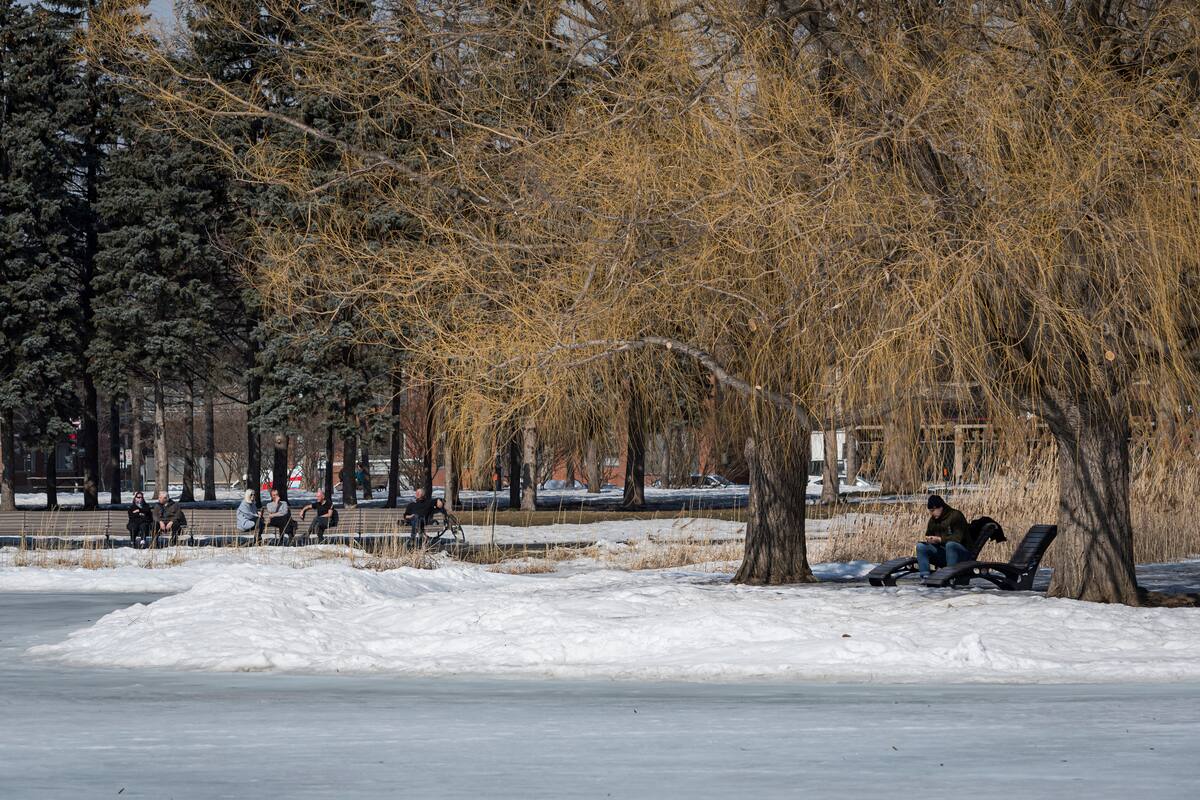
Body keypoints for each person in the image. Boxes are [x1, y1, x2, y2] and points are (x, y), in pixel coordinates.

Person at [915, 494, 971, 578]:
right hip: (944, 553)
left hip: (961, 554)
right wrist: (930, 540)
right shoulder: (933, 520)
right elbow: (929, 534)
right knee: (921, 546)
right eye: (930, 511)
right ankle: (925, 576)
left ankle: (949, 576)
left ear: (941, 507)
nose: (931, 513)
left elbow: (958, 538)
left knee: (950, 545)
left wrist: (940, 540)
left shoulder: (956, 516)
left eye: (933, 510)